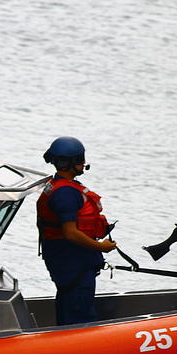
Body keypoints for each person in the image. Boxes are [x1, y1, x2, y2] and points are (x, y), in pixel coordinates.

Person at [36, 136, 117, 325]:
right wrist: (101, 247)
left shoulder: (58, 186)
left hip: (65, 259)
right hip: (72, 261)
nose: (83, 164)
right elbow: (70, 232)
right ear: (71, 163)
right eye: (80, 160)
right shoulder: (65, 194)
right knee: (80, 313)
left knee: (68, 304)